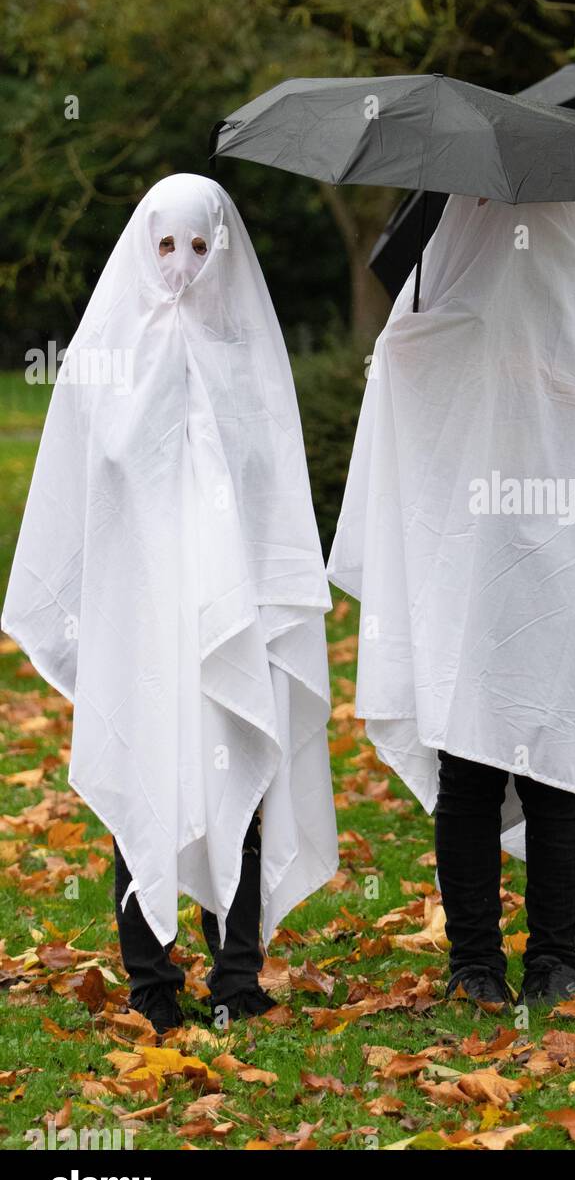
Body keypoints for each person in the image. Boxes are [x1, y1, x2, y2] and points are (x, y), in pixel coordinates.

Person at [327, 195, 575, 1008]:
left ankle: (555, 957)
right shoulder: (430, 314)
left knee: (556, 773)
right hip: (467, 574)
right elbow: (404, 395)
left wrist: (552, 383)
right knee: (468, 769)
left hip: (563, 576)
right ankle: (474, 962)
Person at [3, 173, 339, 1032]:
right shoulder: (109, 352)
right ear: (142, 251)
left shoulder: (246, 353)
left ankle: (237, 973)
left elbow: (268, 483)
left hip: (233, 607)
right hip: (143, 608)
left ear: (221, 249)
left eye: (200, 247)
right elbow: (94, 473)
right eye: (166, 247)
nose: (183, 266)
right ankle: (150, 979)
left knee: (241, 760)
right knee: (147, 761)